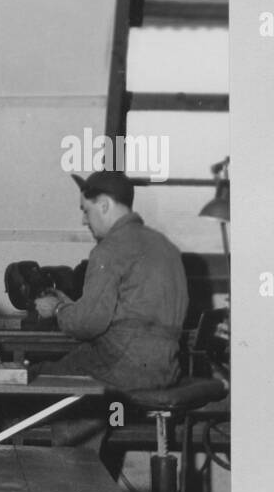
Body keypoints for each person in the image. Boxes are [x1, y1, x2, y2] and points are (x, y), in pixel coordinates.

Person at [31, 171, 188, 449]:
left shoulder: (110, 249)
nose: (83, 220)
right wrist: (71, 306)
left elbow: (88, 324)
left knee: (32, 381)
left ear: (104, 205)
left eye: (86, 210)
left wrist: (57, 309)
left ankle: (70, 479)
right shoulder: (166, 247)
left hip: (122, 368)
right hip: (166, 369)